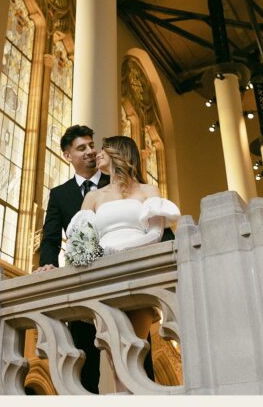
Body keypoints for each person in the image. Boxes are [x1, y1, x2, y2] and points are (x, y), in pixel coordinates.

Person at [66, 135, 180, 390]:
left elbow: (155, 234)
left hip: (137, 270)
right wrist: (92, 255)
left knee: (135, 351)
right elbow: (80, 239)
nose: (97, 154)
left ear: (120, 153)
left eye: (104, 149)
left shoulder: (148, 191)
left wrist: (120, 250)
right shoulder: (93, 197)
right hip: (103, 276)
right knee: (114, 357)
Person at [36, 124, 110, 393]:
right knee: (85, 364)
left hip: (117, 273)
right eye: (82, 148)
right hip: (80, 281)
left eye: (92, 145)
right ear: (68, 156)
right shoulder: (59, 194)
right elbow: (50, 238)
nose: (90, 151)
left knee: (136, 353)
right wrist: (48, 264)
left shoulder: (115, 180)